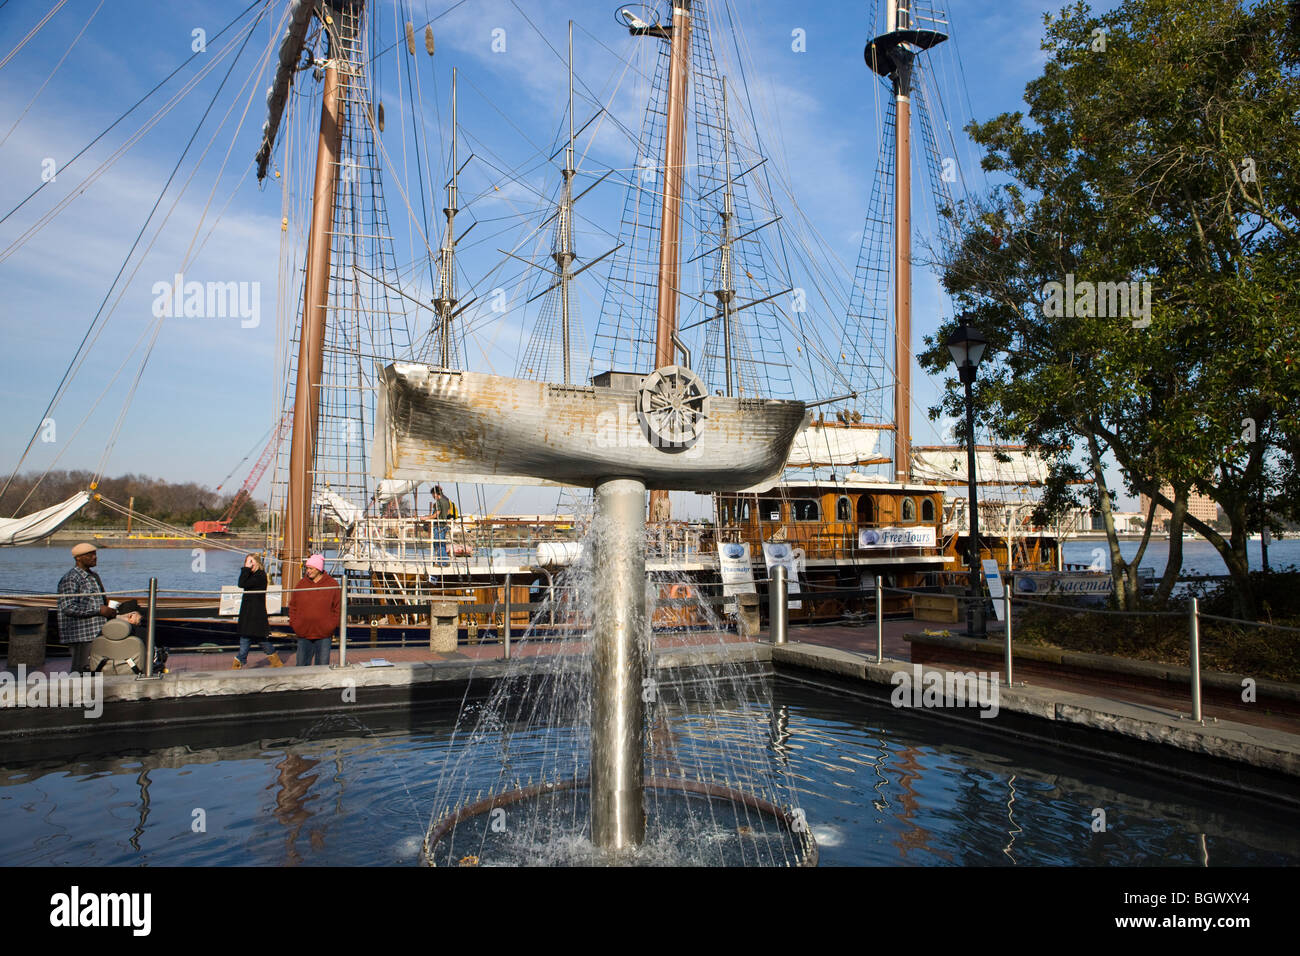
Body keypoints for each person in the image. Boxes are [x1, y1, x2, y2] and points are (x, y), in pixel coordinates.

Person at [57, 543, 116, 672]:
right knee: (81, 669)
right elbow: (68, 607)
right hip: (81, 634)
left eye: (95, 554)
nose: (94, 557)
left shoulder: (94, 576)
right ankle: (76, 691)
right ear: (78, 558)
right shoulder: (71, 578)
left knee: (95, 667)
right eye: (90, 555)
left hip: (96, 631)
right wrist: (99, 609)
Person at [233, 554, 282, 669]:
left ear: (257, 563)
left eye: (251, 562)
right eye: (247, 562)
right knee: (255, 640)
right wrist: (246, 570)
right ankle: (276, 662)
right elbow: (242, 582)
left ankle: (238, 663)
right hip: (249, 615)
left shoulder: (260, 576)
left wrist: (245, 569)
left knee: (251, 639)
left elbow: (242, 584)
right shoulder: (251, 575)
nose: (249, 564)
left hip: (255, 615)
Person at [289, 554, 338, 666]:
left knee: (322, 668)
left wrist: (330, 626)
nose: (308, 571)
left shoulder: (332, 584)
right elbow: (293, 606)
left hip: (324, 634)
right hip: (304, 633)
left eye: (311, 568)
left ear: (319, 569)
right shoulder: (301, 584)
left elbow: (337, 608)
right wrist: (296, 624)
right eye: (307, 568)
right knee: (301, 667)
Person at [432, 485, 453, 562]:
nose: (433, 497)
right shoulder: (446, 500)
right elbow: (448, 512)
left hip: (438, 525)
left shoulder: (439, 502)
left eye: (433, 495)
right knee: (442, 544)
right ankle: (442, 561)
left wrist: (426, 518)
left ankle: (443, 562)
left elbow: (436, 514)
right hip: (444, 525)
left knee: (438, 544)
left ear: (435, 494)